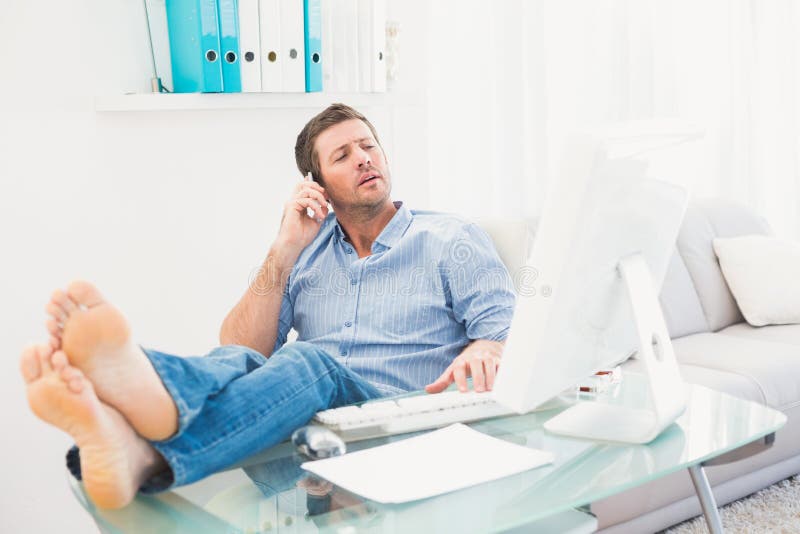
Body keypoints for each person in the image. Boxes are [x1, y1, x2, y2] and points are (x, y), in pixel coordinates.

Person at [20, 103, 516, 510]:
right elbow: (238, 347)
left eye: (368, 145)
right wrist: (284, 247)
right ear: (315, 182)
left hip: (400, 440)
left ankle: (148, 421)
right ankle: (141, 439)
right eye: (342, 154)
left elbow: (507, 331)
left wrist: (489, 346)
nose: (364, 158)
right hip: (306, 449)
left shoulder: (451, 238)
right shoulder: (304, 255)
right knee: (241, 361)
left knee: (307, 362)